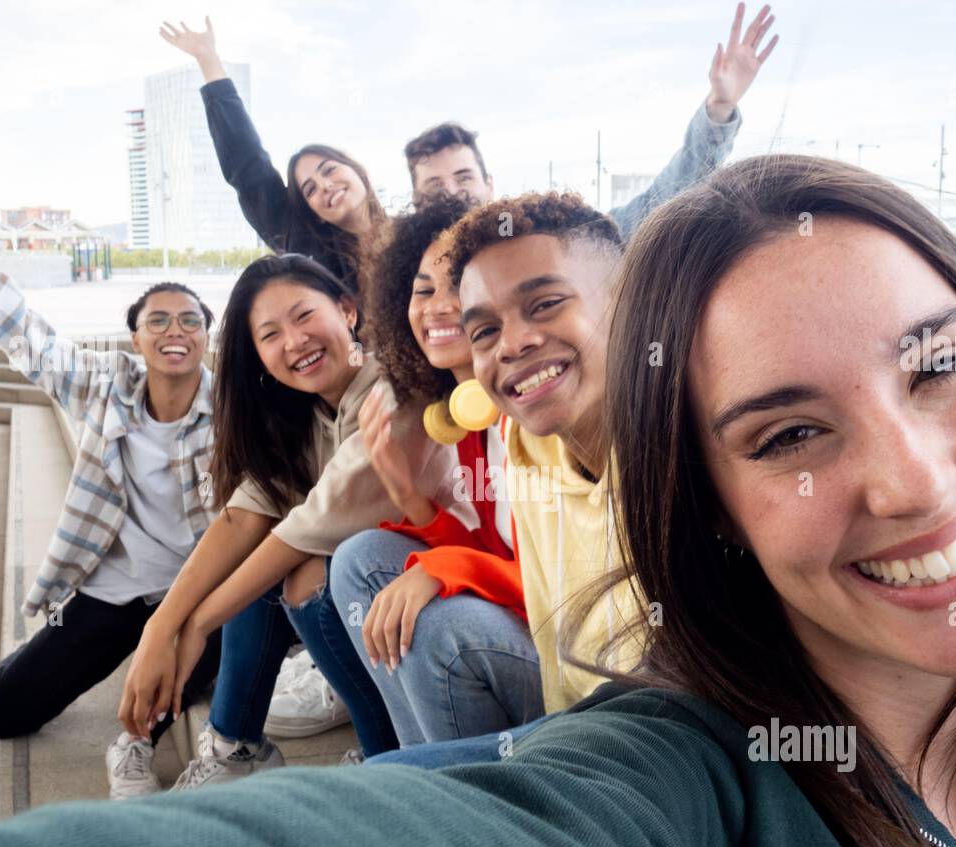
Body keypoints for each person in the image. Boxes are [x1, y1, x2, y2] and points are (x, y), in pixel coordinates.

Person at [0, 156, 956, 847]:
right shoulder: (691, 795)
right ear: (701, 485)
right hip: (572, 737)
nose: (914, 480)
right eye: (792, 432)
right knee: (347, 588)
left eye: (939, 364)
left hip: (535, 692)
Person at [0, 177, 223, 799]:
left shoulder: (233, 410)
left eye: (190, 319)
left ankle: (135, 745)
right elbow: (23, 331)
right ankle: (81, 658)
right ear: (135, 339)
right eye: (158, 319)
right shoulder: (102, 389)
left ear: (205, 336)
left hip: (193, 595)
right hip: (110, 593)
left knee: (205, 654)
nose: (176, 328)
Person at [118, 253, 474, 787]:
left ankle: (386, 754)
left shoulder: (393, 393)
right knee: (270, 561)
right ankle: (234, 745)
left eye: (305, 316)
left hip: (458, 586)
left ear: (347, 310)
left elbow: (304, 527)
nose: (294, 341)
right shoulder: (308, 410)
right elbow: (246, 514)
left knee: (304, 573)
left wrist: (195, 628)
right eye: (270, 334)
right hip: (393, 589)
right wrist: (160, 628)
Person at [161, 3, 776, 270]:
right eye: (434, 186)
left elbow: (646, 211)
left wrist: (718, 112)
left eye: (463, 179)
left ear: (490, 185)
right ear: (416, 197)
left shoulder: (536, 241)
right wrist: (212, 69)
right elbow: (250, 174)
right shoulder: (352, 262)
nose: (452, 194)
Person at [330, 195, 538, 747]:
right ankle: (421, 762)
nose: (438, 307)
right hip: (522, 627)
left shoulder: (538, 406)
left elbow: (559, 586)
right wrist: (407, 494)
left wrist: (443, 567)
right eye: (422, 290)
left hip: (572, 657)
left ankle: (462, 795)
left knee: (439, 627)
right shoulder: (469, 416)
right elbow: (492, 554)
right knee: (358, 561)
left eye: (458, 286)